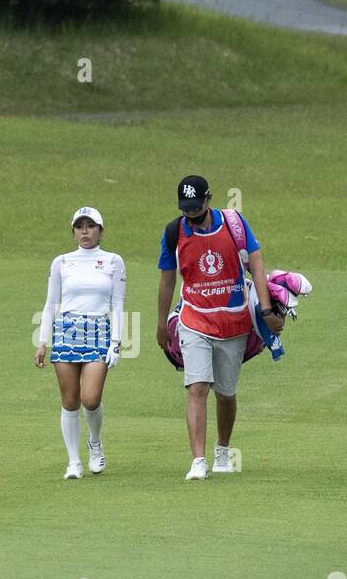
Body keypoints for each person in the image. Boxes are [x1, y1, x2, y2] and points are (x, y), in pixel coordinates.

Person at [156, 175, 283, 481]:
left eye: (196, 209)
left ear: (209, 200)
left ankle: (222, 450)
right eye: (186, 209)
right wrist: (162, 324)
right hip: (194, 320)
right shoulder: (174, 232)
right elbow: (167, 279)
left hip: (233, 321)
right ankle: (198, 461)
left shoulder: (234, 224)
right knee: (197, 387)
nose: (191, 215)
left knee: (225, 393)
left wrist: (266, 310)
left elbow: (257, 263)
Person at [36, 207, 126, 479]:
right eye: (79, 226)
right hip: (67, 331)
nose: (84, 231)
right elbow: (51, 304)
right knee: (70, 401)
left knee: (90, 398)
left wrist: (117, 343)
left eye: (90, 226)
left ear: (100, 230)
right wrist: (43, 341)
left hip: (98, 330)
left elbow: (118, 304)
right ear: (73, 231)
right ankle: (74, 461)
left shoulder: (113, 261)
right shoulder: (61, 262)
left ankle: (95, 443)